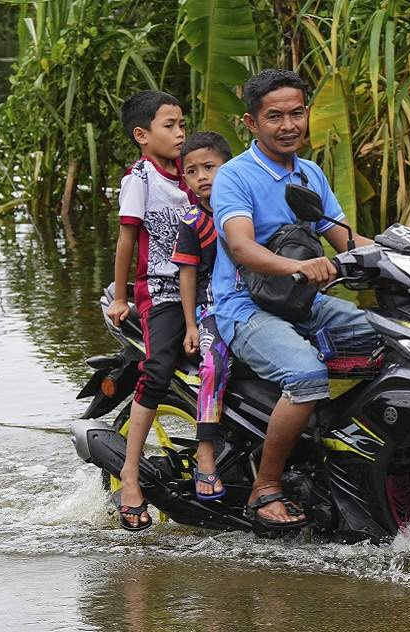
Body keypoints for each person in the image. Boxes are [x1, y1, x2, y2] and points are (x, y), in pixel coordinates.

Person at [209, 69, 376, 530]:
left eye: (297, 114)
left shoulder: (309, 172)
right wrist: (299, 266)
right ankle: (266, 486)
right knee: (306, 375)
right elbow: (241, 246)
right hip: (246, 307)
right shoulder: (235, 177)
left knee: (391, 339)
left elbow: (343, 237)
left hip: (303, 302)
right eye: (275, 116)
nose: (288, 125)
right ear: (251, 123)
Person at [108, 90, 193, 531]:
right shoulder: (139, 179)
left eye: (182, 124)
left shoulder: (194, 171)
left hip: (203, 286)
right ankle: (129, 473)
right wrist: (122, 298)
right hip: (159, 290)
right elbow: (127, 241)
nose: (180, 134)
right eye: (169, 126)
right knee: (156, 370)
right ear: (142, 135)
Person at [171, 131, 233, 501]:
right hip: (213, 308)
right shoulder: (193, 221)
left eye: (209, 167)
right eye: (191, 171)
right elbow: (188, 275)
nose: (201, 177)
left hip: (254, 302)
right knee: (214, 365)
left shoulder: (244, 207)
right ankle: (205, 457)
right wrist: (192, 325)